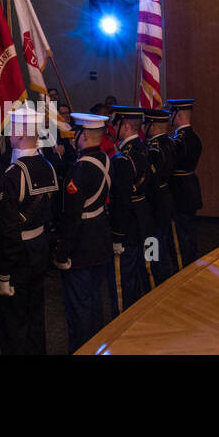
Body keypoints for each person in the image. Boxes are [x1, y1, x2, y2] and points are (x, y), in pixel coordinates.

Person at [0, 106, 59, 355]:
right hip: (40, 250)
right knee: (35, 317)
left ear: (20, 133)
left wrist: (3, 274)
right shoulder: (48, 166)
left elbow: (10, 233)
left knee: (13, 325)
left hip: (18, 257)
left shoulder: (13, 174)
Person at [54, 113, 113, 354]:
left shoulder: (80, 169)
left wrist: (62, 253)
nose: (74, 137)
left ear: (84, 135)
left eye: (77, 133)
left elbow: (72, 217)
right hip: (100, 238)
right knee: (94, 302)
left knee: (79, 308)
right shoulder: (105, 159)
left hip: (81, 245)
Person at [108, 106, 151, 316]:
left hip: (127, 228)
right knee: (143, 273)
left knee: (122, 284)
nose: (111, 128)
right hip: (144, 222)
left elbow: (120, 202)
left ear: (124, 126)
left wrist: (117, 237)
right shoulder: (144, 148)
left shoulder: (123, 159)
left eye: (114, 124)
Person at [143, 108, 179, 282]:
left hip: (154, 203)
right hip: (166, 197)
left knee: (154, 242)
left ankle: (156, 278)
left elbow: (151, 178)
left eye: (146, 123)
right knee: (162, 240)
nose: (143, 127)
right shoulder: (170, 142)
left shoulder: (154, 149)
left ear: (153, 126)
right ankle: (162, 273)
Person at [166, 99, 202, 267]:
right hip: (191, 187)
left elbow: (170, 165)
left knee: (180, 236)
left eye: (172, 114)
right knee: (190, 232)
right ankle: (191, 264)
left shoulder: (178, 141)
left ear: (177, 115)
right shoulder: (195, 137)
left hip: (178, 191)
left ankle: (182, 269)